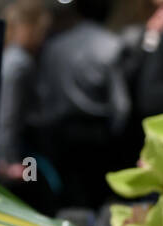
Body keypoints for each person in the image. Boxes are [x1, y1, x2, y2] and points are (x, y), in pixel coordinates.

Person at [30, 0, 130, 210]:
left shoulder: (56, 46)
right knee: (97, 202)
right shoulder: (111, 44)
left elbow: (43, 96)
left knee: (64, 200)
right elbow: (121, 105)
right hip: (97, 136)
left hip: (58, 135)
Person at [0, 0, 50, 182]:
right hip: (19, 154)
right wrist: (7, 160)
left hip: (12, 151)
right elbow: (8, 115)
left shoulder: (8, 57)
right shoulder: (19, 63)